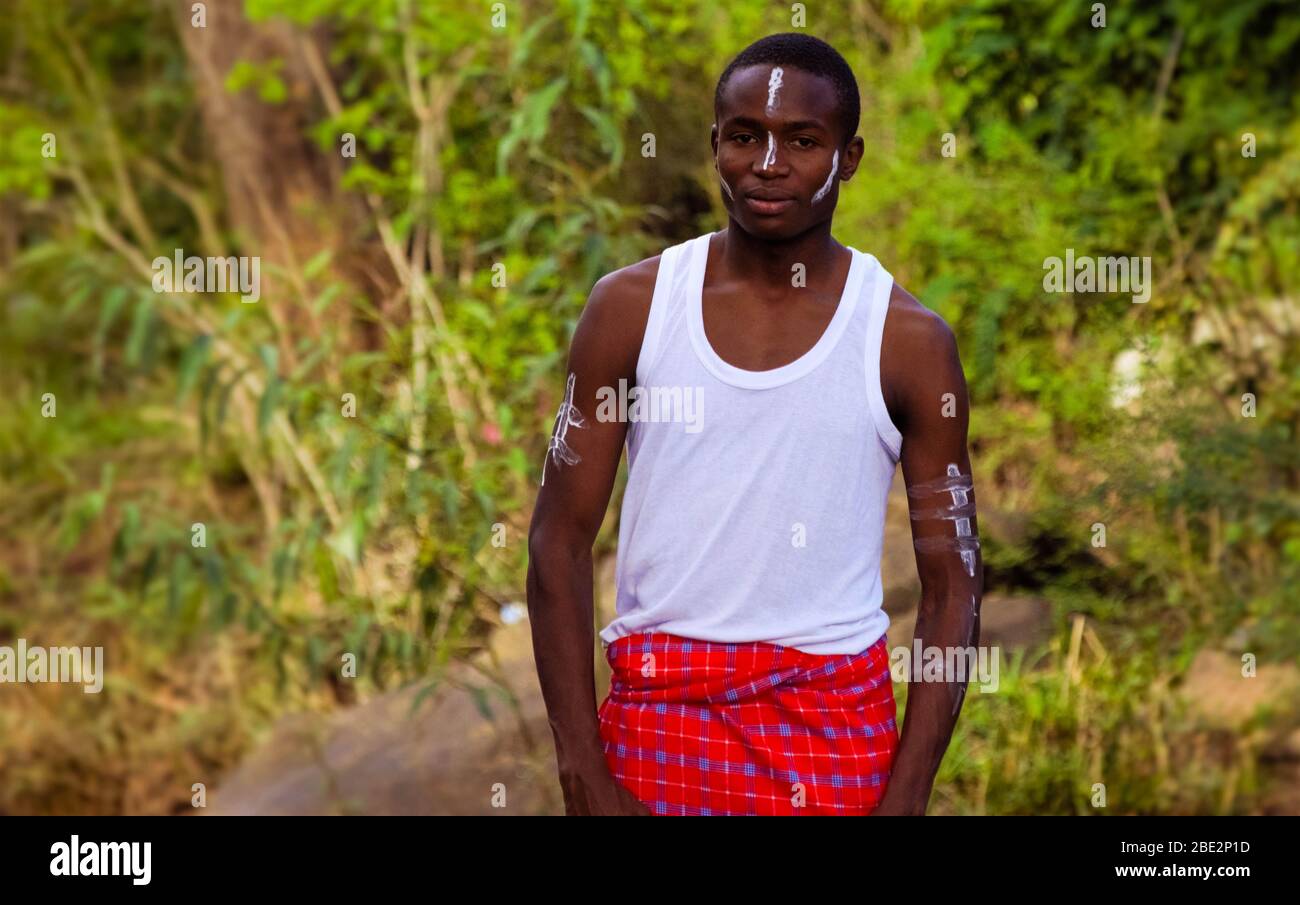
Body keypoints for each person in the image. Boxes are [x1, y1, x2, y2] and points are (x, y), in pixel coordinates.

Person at [527, 32, 982, 816]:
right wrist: (584, 773)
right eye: (745, 136)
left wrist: (906, 793)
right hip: (658, 723)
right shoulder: (632, 309)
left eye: (803, 141)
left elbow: (954, 579)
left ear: (850, 157)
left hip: (834, 729)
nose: (768, 163)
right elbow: (557, 540)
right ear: (715, 147)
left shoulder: (906, 340)